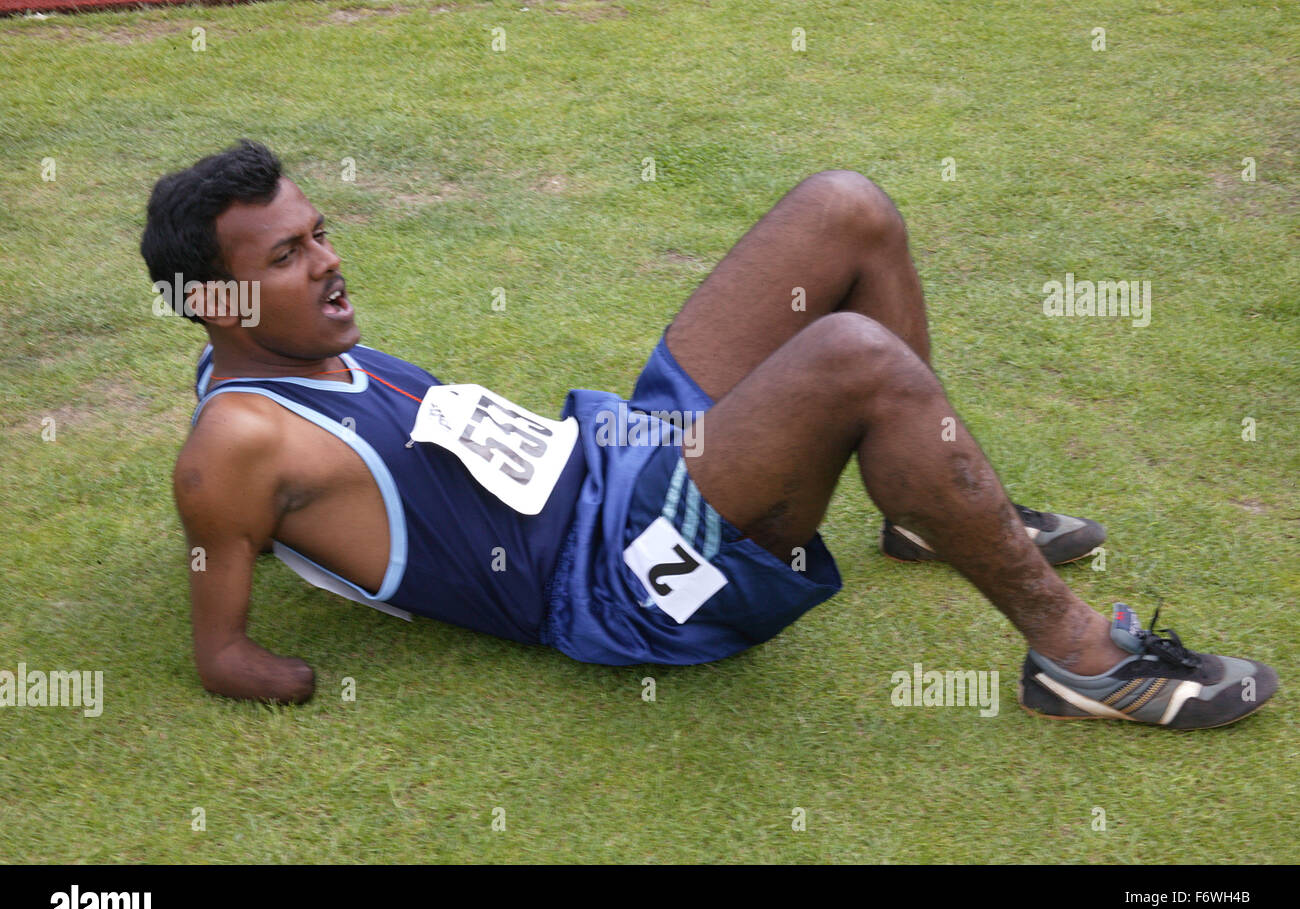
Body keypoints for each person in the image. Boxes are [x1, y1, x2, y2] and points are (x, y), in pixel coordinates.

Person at [142, 140, 1277, 728]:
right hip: (615, 580)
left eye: (318, 232)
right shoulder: (236, 442)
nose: (328, 259)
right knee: (850, 362)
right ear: (213, 300)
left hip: (621, 454)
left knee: (845, 206)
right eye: (284, 256)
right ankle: (1080, 658)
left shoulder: (265, 347)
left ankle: (921, 514)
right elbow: (226, 655)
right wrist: (283, 672)